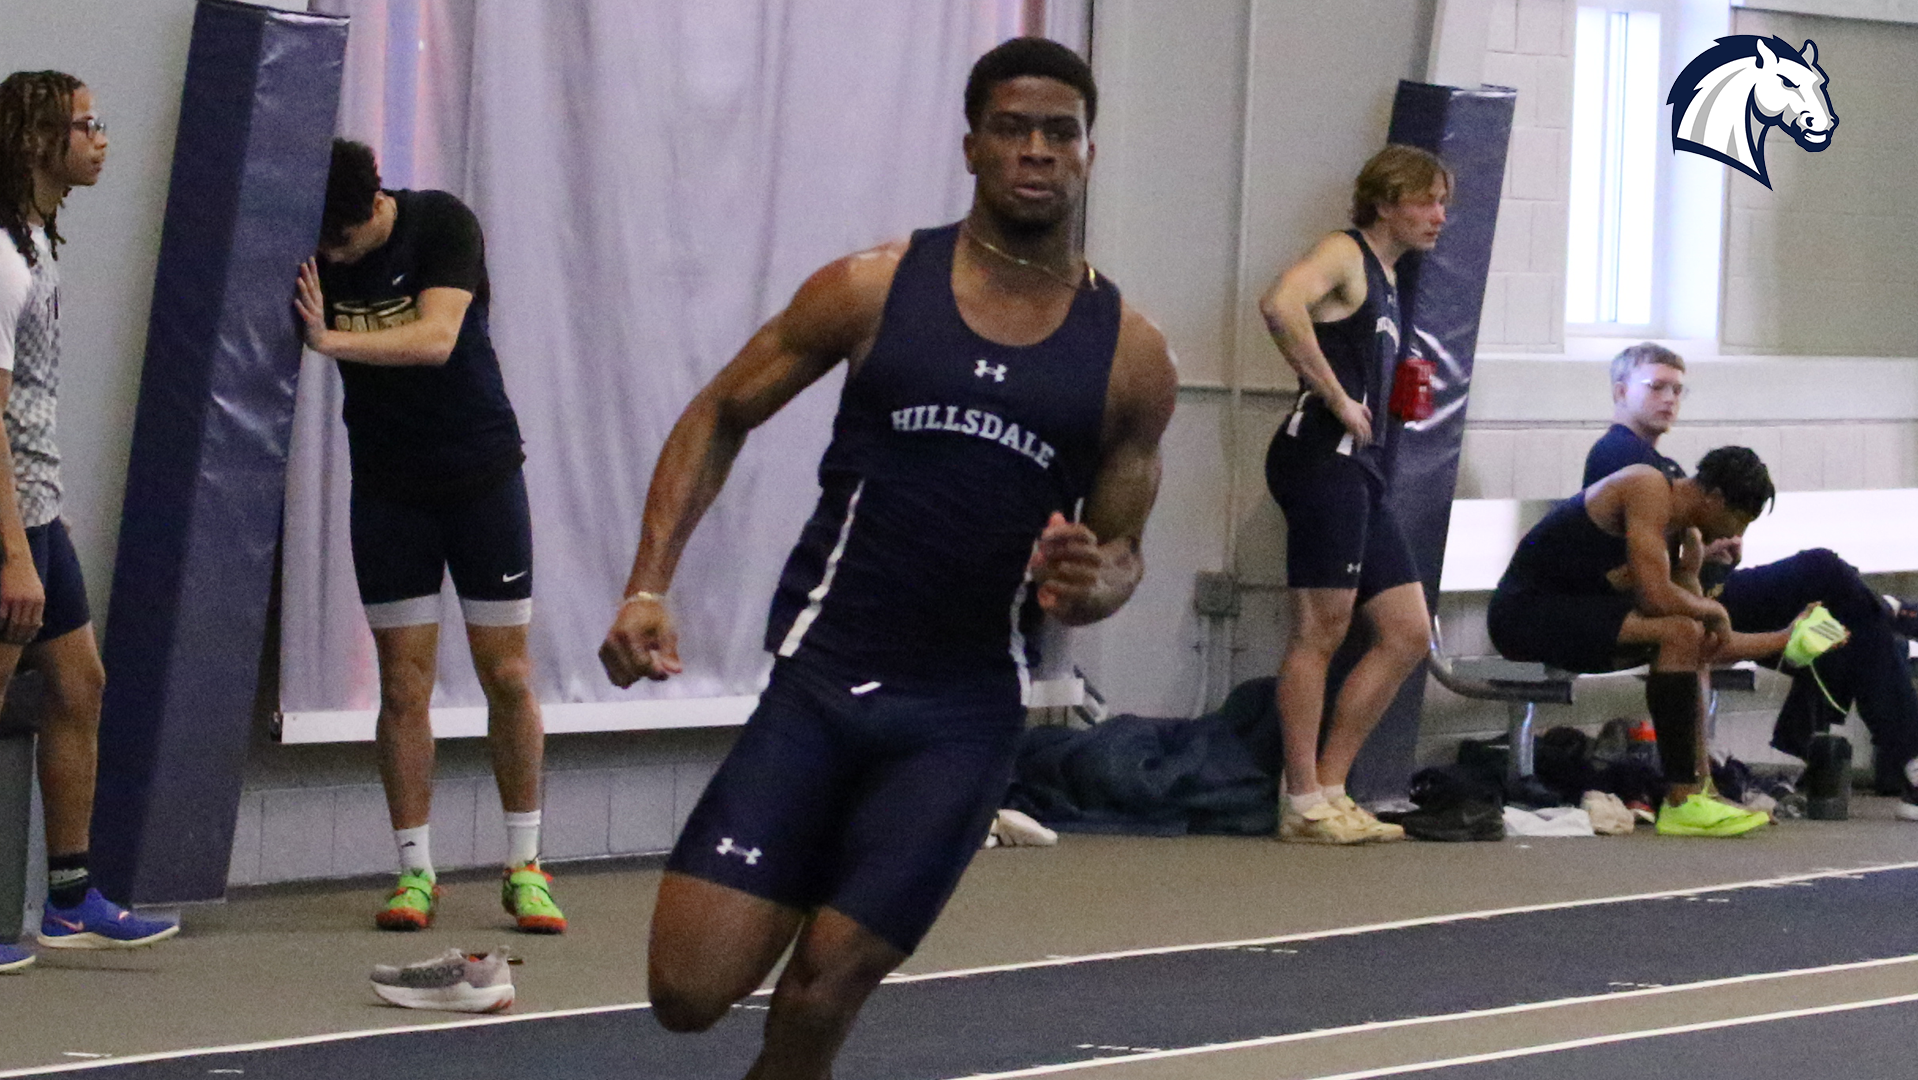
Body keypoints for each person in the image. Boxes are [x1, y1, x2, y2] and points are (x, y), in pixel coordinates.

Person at [598, 37, 1175, 1080]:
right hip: (822, 682)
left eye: (1060, 133)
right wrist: (650, 584)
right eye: (1012, 129)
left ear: (1088, 154)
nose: (1035, 151)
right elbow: (720, 410)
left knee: (822, 986)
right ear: (972, 146)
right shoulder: (871, 288)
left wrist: (1098, 581)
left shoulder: (1129, 353)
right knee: (687, 993)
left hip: (958, 716)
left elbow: (1122, 552)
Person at [292, 140, 563, 934]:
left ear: (372, 211)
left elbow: (436, 339)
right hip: (389, 490)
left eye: (338, 243)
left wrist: (332, 341)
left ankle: (525, 867)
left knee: (505, 673)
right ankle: (414, 873)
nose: (328, 258)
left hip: (480, 476)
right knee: (403, 685)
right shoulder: (317, 250)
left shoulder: (442, 224)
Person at [0, 71, 177, 974]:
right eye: (87, 125)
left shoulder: (37, 242)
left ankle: (69, 900)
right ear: (38, 141)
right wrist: (13, 557)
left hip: (39, 511)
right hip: (8, 525)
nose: (103, 138)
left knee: (81, 685)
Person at [1585, 342, 1918, 819]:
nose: (1669, 399)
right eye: (1655, 386)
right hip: (1660, 608)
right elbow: (1646, 576)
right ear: (1620, 392)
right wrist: (1707, 577)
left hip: (1695, 593)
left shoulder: (1665, 467)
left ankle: (1905, 759)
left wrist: (1716, 558)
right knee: (1823, 571)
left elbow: (1682, 562)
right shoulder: (1621, 460)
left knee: (1854, 627)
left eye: (1677, 389)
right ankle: (1894, 623)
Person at [1255, 144, 1451, 844]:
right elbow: (1280, 304)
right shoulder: (1345, 252)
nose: (1438, 217)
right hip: (1319, 458)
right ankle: (1301, 797)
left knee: (1405, 632)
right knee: (1322, 630)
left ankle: (1333, 784)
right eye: (1427, 201)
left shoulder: (1393, 281)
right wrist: (1334, 394)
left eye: (1443, 204)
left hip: (1360, 469)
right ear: (1386, 201)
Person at [1491, 445, 1804, 836]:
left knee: (1685, 637)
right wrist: (1714, 610)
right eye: (1739, 519)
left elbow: (1706, 647)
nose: (1736, 535)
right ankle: (1681, 798)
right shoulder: (1646, 486)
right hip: (1523, 616)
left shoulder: (1685, 537)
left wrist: (1784, 637)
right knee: (1678, 630)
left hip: (1571, 617)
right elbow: (1657, 598)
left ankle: (1700, 791)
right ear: (1715, 498)